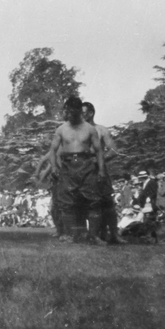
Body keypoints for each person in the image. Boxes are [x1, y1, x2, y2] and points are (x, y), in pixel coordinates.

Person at [42, 96, 106, 244]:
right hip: (67, 165)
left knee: (94, 201)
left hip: (87, 164)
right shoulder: (61, 129)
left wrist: (101, 170)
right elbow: (52, 150)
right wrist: (54, 168)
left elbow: (98, 151)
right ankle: (70, 235)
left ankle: (94, 235)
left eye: (74, 112)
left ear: (79, 111)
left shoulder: (90, 129)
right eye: (68, 112)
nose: (71, 114)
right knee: (66, 202)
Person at [81, 102, 127, 244]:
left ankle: (114, 234)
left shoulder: (101, 130)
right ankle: (93, 236)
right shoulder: (76, 131)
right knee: (89, 203)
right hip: (81, 171)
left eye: (83, 112)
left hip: (99, 169)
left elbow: (113, 150)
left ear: (91, 113)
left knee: (107, 202)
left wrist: (99, 160)